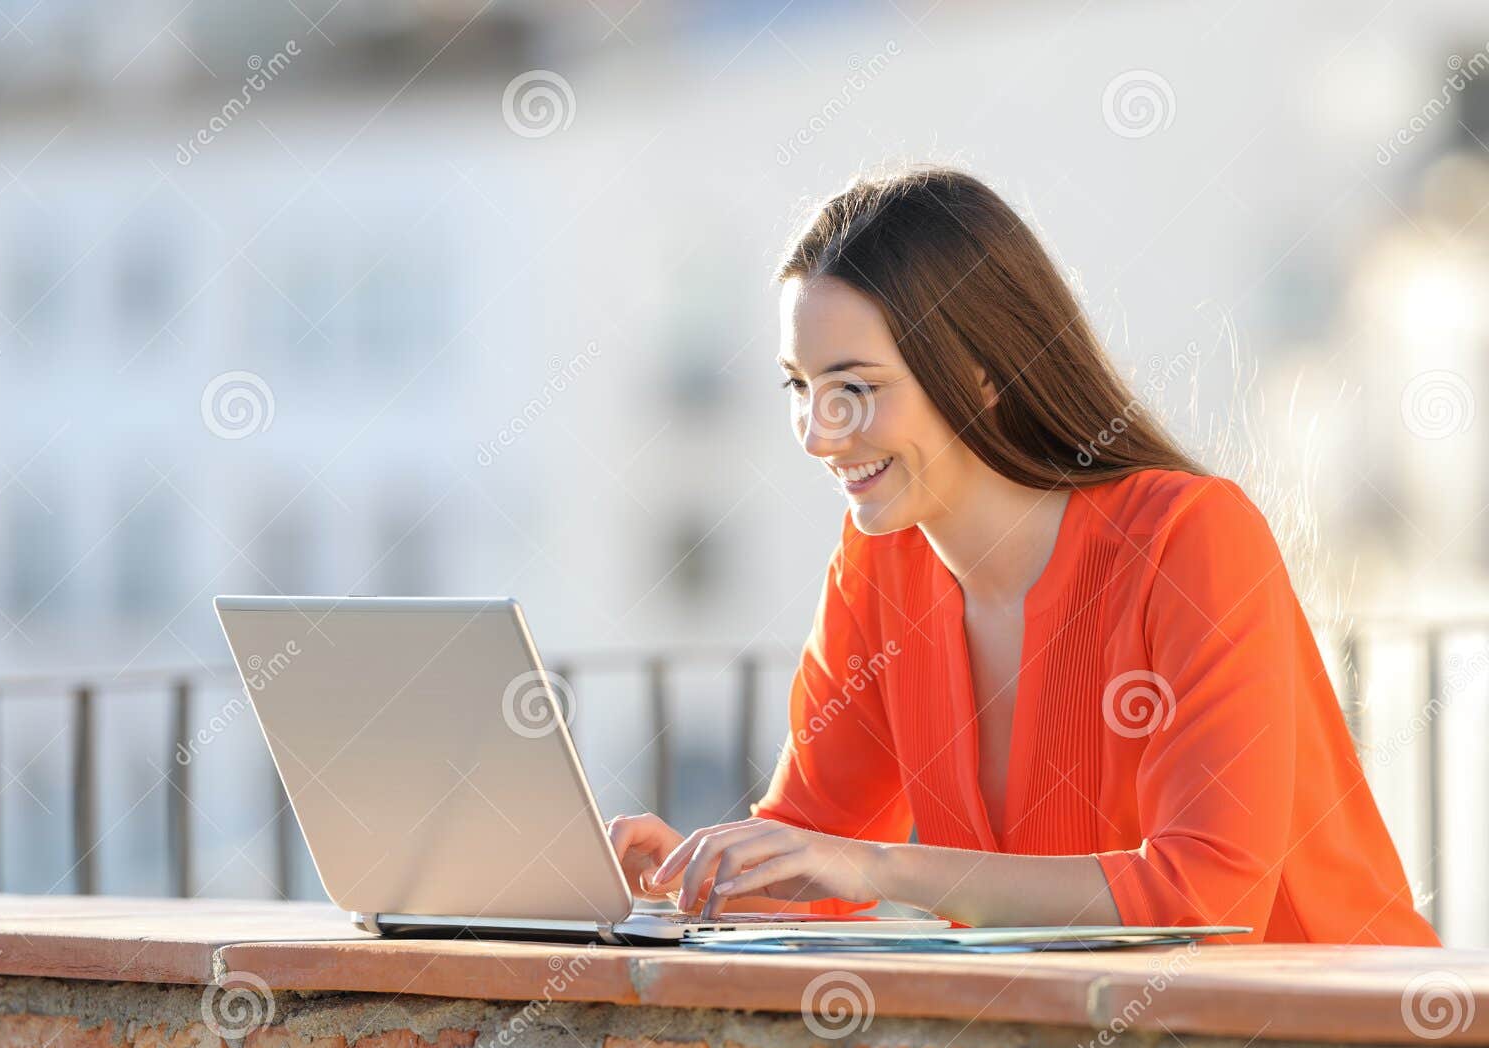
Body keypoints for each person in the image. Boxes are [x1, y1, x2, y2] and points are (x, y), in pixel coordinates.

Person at [608, 165, 1438, 946]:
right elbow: (816, 855)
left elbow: (1203, 901)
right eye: (799, 385)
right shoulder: (880, 564)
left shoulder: (1192, 538)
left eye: (854, 387)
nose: (819, 434)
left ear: (979, 373)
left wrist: (880, 866)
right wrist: (681, 878)